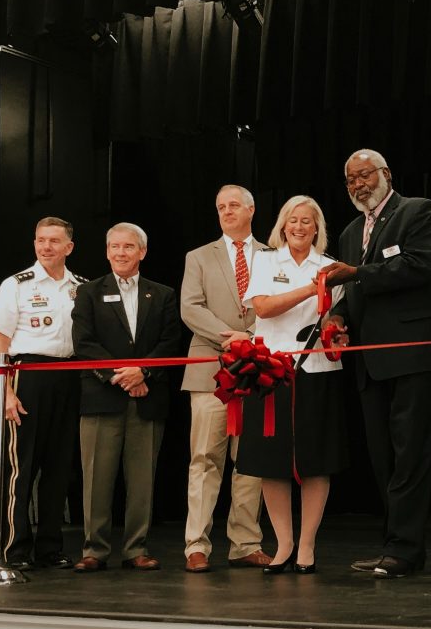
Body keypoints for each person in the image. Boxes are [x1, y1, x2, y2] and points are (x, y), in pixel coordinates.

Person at [323, 149, 431, 578]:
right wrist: (338, 320)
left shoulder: (417, 211)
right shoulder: (347, 233)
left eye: (364, 176)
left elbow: (417, 266)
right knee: (383, 459)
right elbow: (347, 297)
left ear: (386, 174)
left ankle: (406, 549)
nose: (358, 185)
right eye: (350, 180)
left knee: (410, 454)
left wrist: (357, 274)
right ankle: (392, 545)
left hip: (413, 353)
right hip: (369, 361)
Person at [238, 196, 349, 574]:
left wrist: (336, 331)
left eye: (307, 221)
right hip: (271, 370)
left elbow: (334, 314)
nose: (299, 227)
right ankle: (283, 543)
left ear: (317, 228)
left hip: (318, 371)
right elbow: (264, 308)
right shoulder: (266, 260)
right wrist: (311, 289)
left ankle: (306, 545)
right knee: (273, 463)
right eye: (292, 221)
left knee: (316, 462)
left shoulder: (332, 267)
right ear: (282, 226)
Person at [70, 223, 181, 572]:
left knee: (142, 480)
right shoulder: (87, 292)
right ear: (106, 251)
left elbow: (169, 343)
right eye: (114, 247)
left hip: (147, 399)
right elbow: (84, 343)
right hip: (103, 396)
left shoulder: (162, 294)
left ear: (142, 252)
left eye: (128, 247)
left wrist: (143, 373)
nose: (120, 253)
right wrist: (123, 377)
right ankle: (94, 550)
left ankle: (136, 549)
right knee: (96, 479)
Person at [0, 216, 86, 571]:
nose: (46, 247)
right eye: (41, 240)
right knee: (21, 468)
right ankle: (15, 549)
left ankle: (50, 548)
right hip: (26, 376)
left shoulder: (81, 287)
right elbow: (0, 342)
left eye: (54, 241)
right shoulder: (17, 285)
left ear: (69, 247)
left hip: (68, 376)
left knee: (60, 468)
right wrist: (7, 393)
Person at [180, 185, 271, 573]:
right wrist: (230, 337)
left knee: (250, 461)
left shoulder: (273, 256)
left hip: (260, 368)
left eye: (234, 205)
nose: (227, 211)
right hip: (209, 370)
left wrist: (252, 341)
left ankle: (245, 542)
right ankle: (196, 544)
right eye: (220, 207)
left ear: (251, 209)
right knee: (204, 458)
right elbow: (190, 307)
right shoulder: (198, 256)